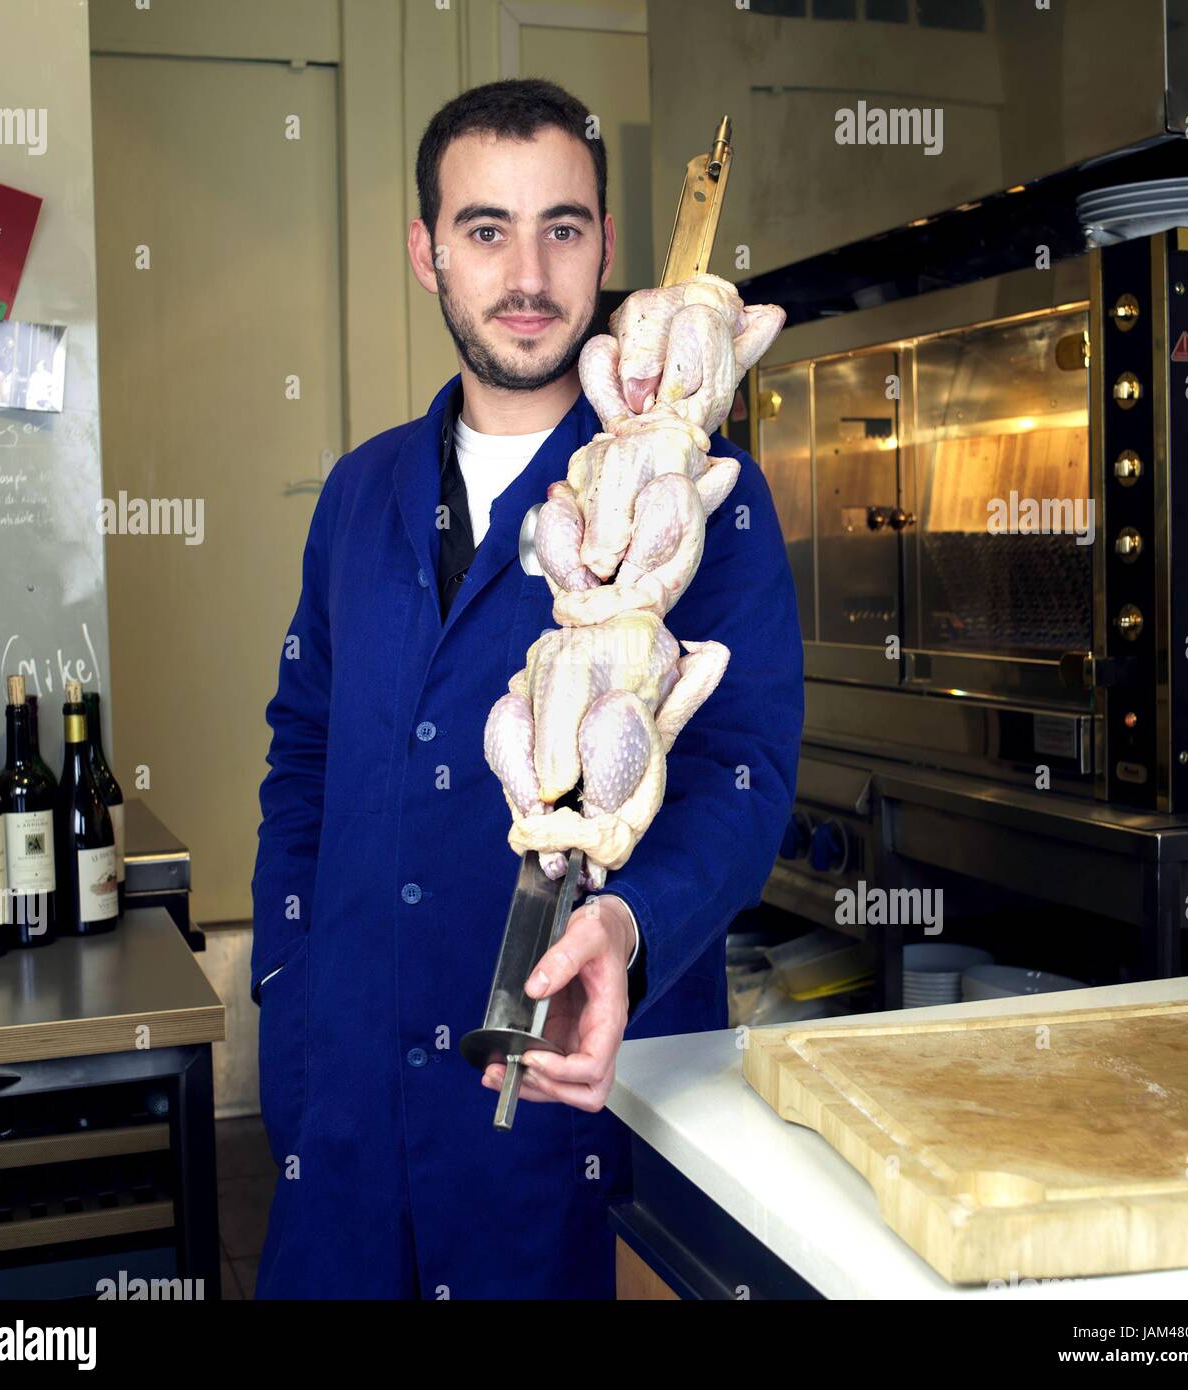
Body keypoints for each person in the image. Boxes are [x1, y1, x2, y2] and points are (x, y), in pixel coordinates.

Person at [251, 78, 803, 1300]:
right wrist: (286, 981)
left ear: (607, 245)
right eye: (484, 229)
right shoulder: (358, 495)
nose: (528, 272)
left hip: (568, 1110)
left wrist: (627, 922)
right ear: (426, 251)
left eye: (562, 227)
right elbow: (302, 753)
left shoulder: (697, 498)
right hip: (344, 1111)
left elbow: (742, 776)